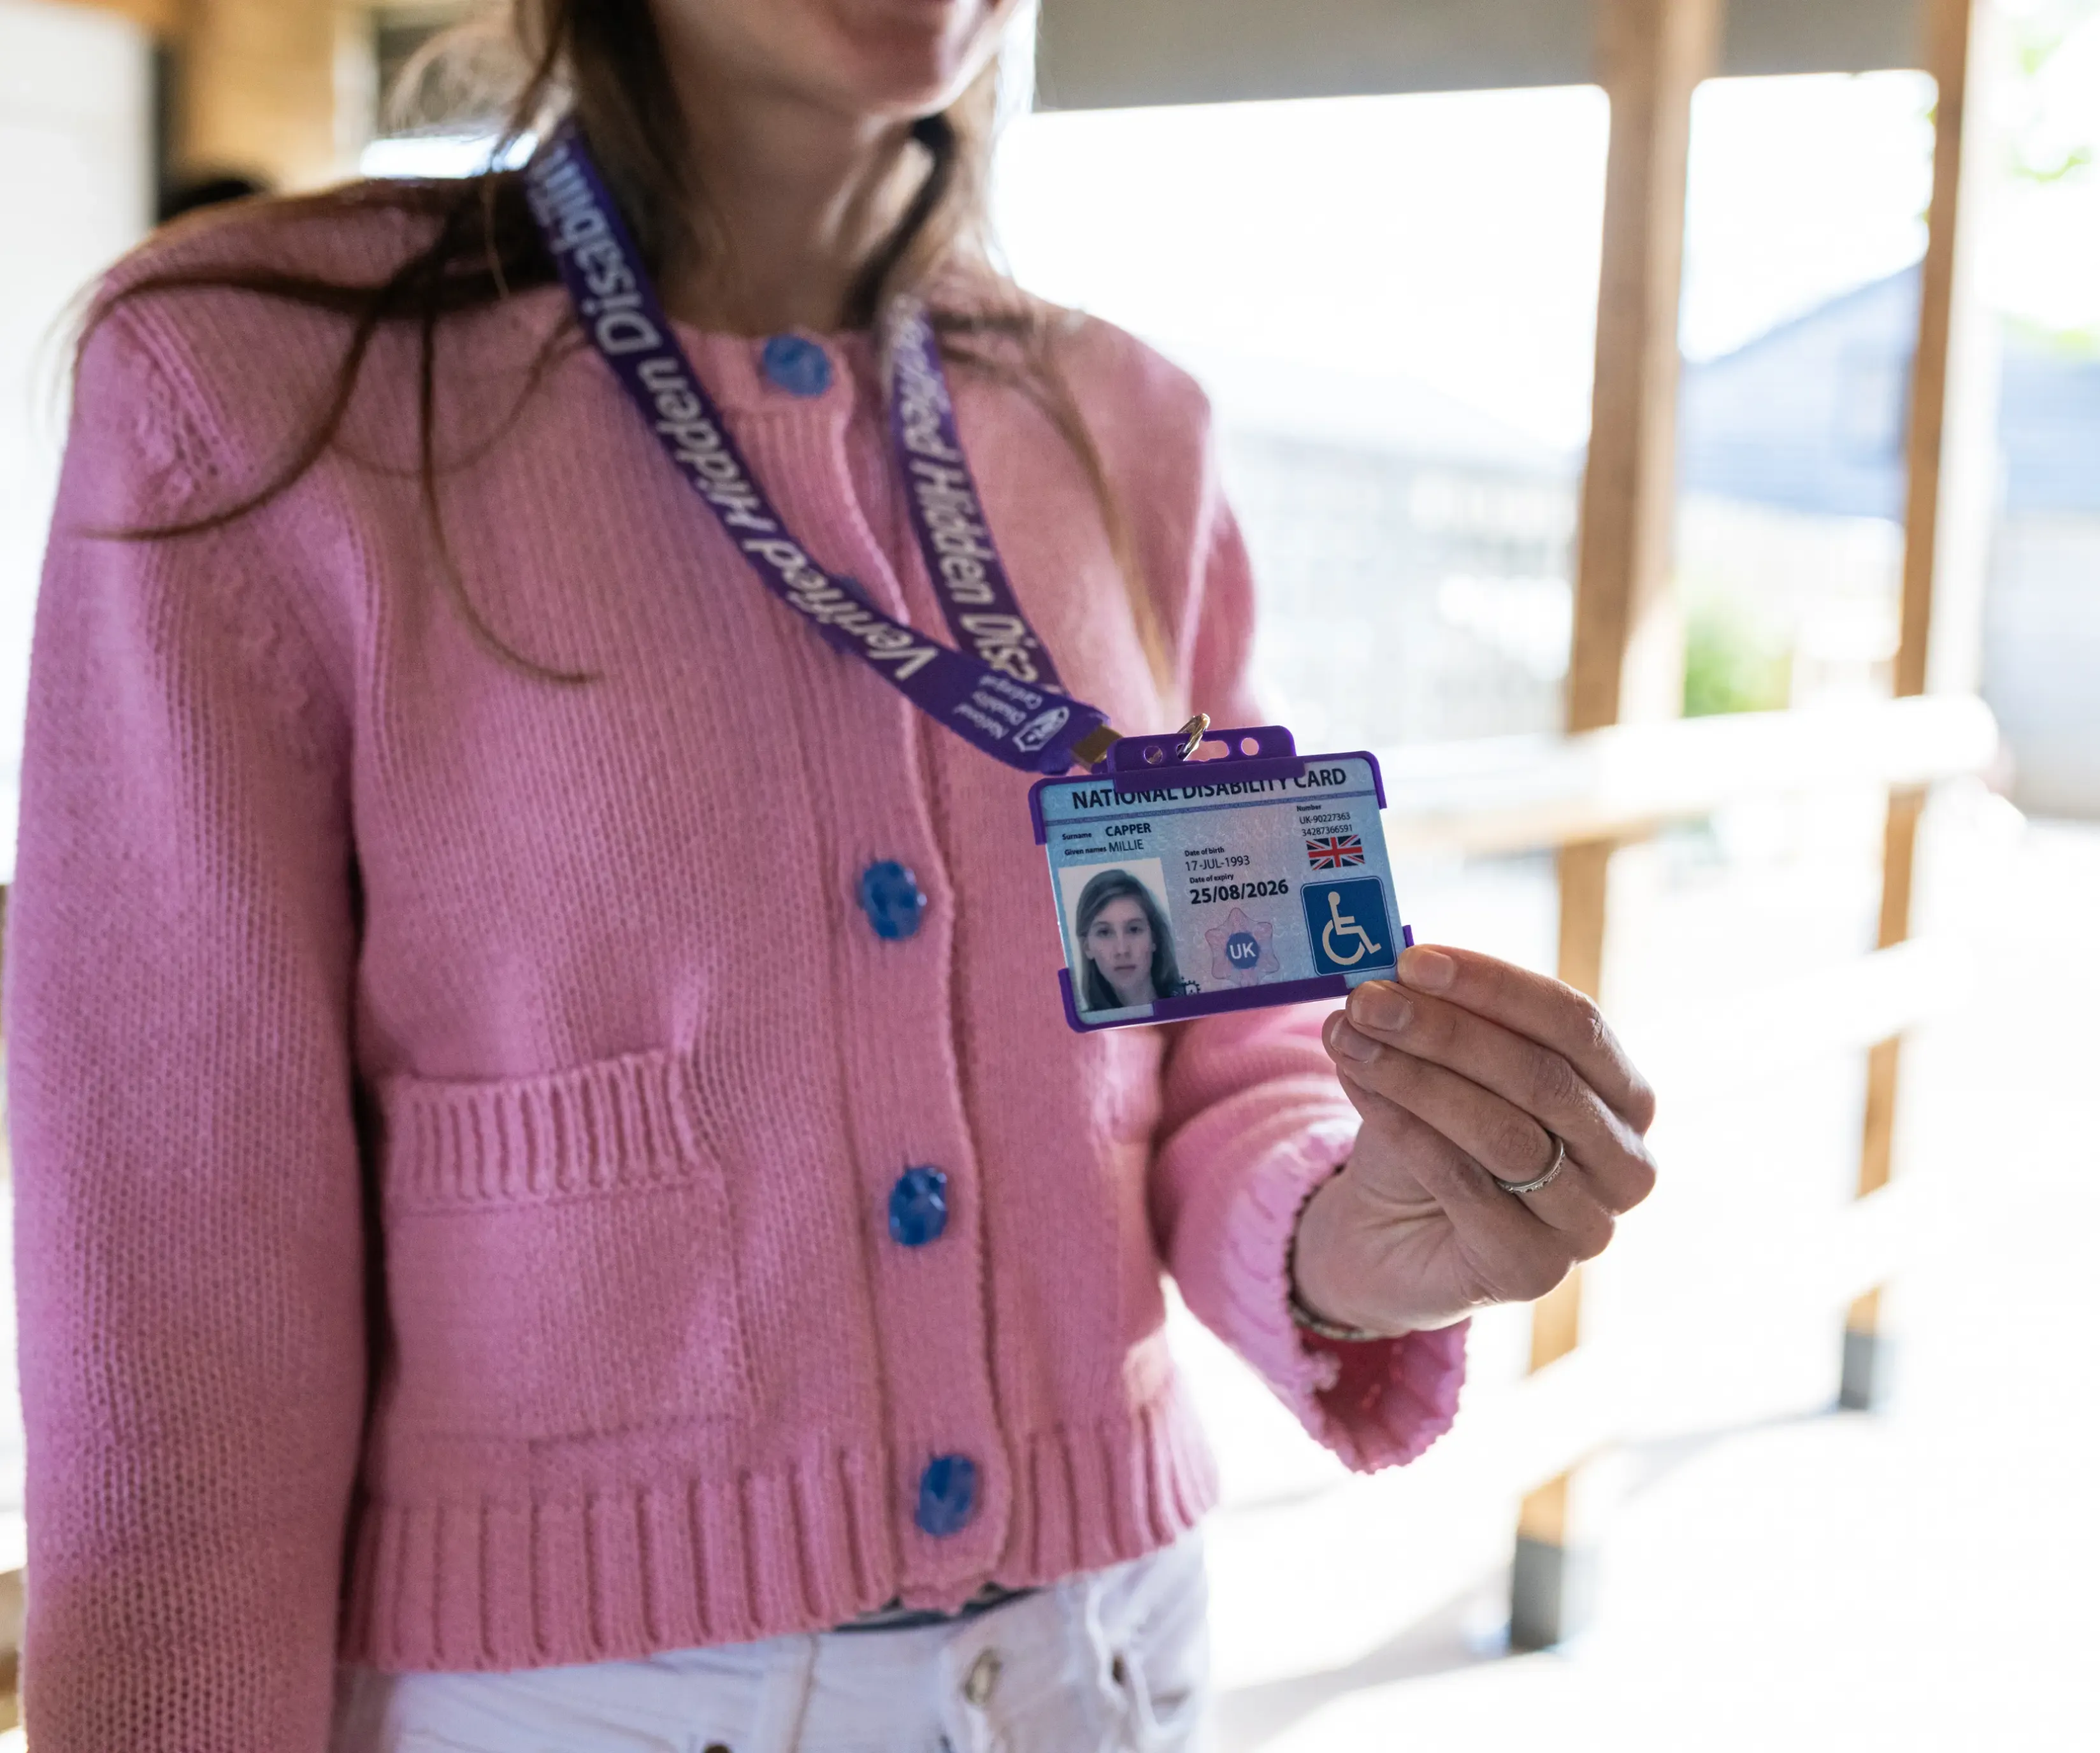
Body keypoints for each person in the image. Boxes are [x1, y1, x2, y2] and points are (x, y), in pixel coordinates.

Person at [6, 1, 1660, 1747]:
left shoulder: (1127, 421)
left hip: (1113, 1662)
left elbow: (1224, 1037)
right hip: (573, 1703)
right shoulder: (252, 388)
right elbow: (175, 1285)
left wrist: (1352, 1222)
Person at [1075, 868, 1186, 1011]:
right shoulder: (1085, 1023)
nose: (1122, 950)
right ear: (1087, 947)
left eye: (1134, 930)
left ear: (1154, 938)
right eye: (1105, 932)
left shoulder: (1190, 1005)